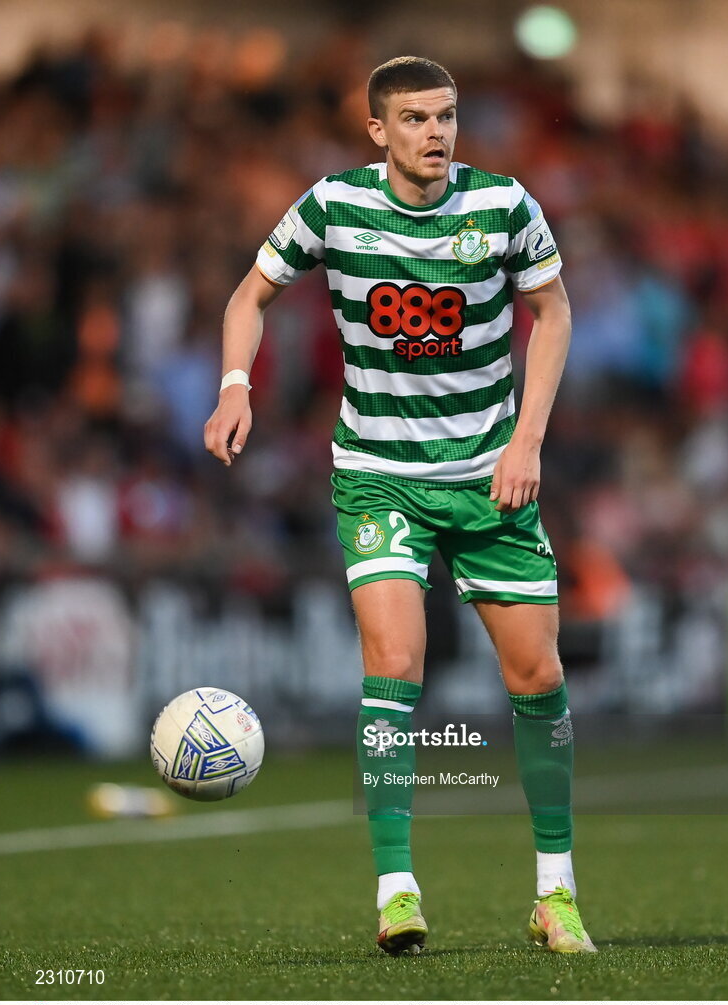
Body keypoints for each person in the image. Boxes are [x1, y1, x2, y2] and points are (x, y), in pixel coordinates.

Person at [204, 56, 595, 956]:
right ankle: (397, 891)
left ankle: (556, 891)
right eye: (415, 119)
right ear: (378, 130)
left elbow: (555, 313)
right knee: (394, 662)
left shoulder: (504, 206)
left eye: (446, 116)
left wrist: (527, 440)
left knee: (537, 676)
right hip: (378, 474)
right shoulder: (333, 205)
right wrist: (235, 386)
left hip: (489, 475)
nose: (435, 133)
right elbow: (249, 296)